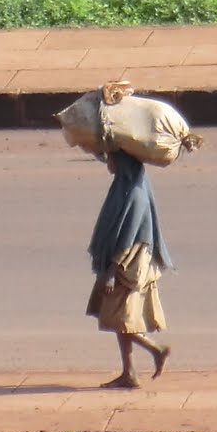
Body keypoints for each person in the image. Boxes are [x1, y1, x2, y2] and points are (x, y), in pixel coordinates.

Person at [85, 150, 172, 388]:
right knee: (121, 320)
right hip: (119, 263)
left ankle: (156, 349)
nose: (108, 164)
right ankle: (129, 372)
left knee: (118, 318)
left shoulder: (134, 194)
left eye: (111, 160)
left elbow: (131, 236)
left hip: (127, 265)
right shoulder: (123, 186)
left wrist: (112, 271)